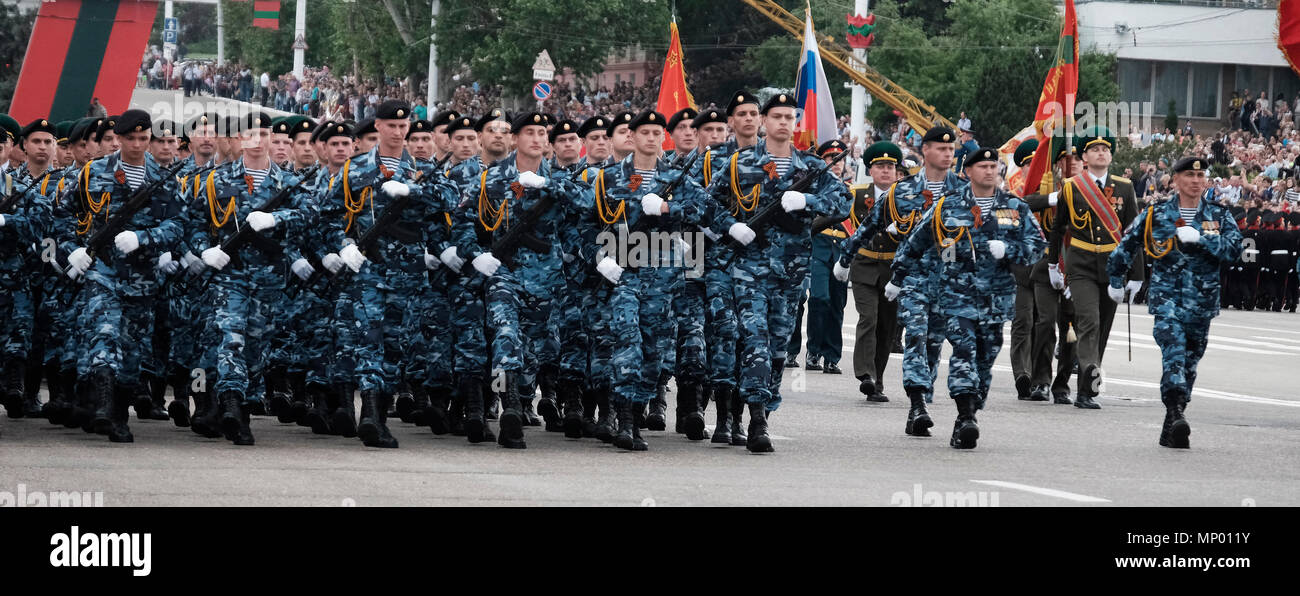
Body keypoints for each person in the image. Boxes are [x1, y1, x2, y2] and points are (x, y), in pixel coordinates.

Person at [705, 93, 850, 452]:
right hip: (748, 269)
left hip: (790, 273)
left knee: (777, 348)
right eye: (777, 116)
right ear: (764, 123)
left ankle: (763, 407)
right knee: (753, 339)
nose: (784, 122)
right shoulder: (740, 163)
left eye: (790, 117)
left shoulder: (811, 168)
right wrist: (731, 226)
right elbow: (707, 202)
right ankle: (755, 419)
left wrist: (808, 201)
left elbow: (844, 202)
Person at [890, 147, 1045, 448]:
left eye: (994, 166)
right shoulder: (948, 206)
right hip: (956, 296)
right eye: (983, 166)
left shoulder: (1015, 207)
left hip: (996, 299)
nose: (990, 171)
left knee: (985, 360)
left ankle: (972, 408)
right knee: (963, 353)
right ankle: (965, 417)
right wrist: (898, 276)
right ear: (968, 172)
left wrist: (1011, 251)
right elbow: (917, 241)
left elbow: (1037, 245)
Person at [1106, 156, 1242, 448]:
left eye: (1200, 175)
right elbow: (1126, 246)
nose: (1196, 180)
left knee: (1191, 363)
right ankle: (1177, 409)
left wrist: (1203, 239)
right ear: (1176, 180)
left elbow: (1234, 250)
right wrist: (1116, 280)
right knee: (1174, 354)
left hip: (1202, 303)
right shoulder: (1156, 213)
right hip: (1167, 299)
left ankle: (1172, 421)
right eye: (1190, 175)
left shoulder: (1219, 215)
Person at [1046, 127, 1143, 409]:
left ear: (1110, 155)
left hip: (1113, 267)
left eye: (1106, 149)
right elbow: (1058, 228)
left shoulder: (1125, 186)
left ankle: (1087, 382)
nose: (1101, 153)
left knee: (1103, 327)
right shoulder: (1072, 186)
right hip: (1081, 265)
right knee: (1088, 321)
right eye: (1095, 149)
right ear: (1085, 156)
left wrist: (1136, 275)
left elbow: (1132, 233)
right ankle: (1088, 379)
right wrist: (1054, 264)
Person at [834, 141, 905, 402]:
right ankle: (865, 374)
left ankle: (878, 379)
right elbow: (836, 217)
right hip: (864, 265)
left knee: (887, 327)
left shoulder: (906, 196)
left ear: (897, 171)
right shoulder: (857, 194)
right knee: (869, 318)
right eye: (880, 166)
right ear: (870, 170)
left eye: (890, 166)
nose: (885, 171)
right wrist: (843, 260)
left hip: (893, 269)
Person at [802, 139, 851, 375]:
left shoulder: (849, 190)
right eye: (831, 159)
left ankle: (832, 356)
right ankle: (813, 351)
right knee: (819, 299)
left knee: (837, 304)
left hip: (840, 251)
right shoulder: (814, 188)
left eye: (839, 159)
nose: (836, 164)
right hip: (819, 248)